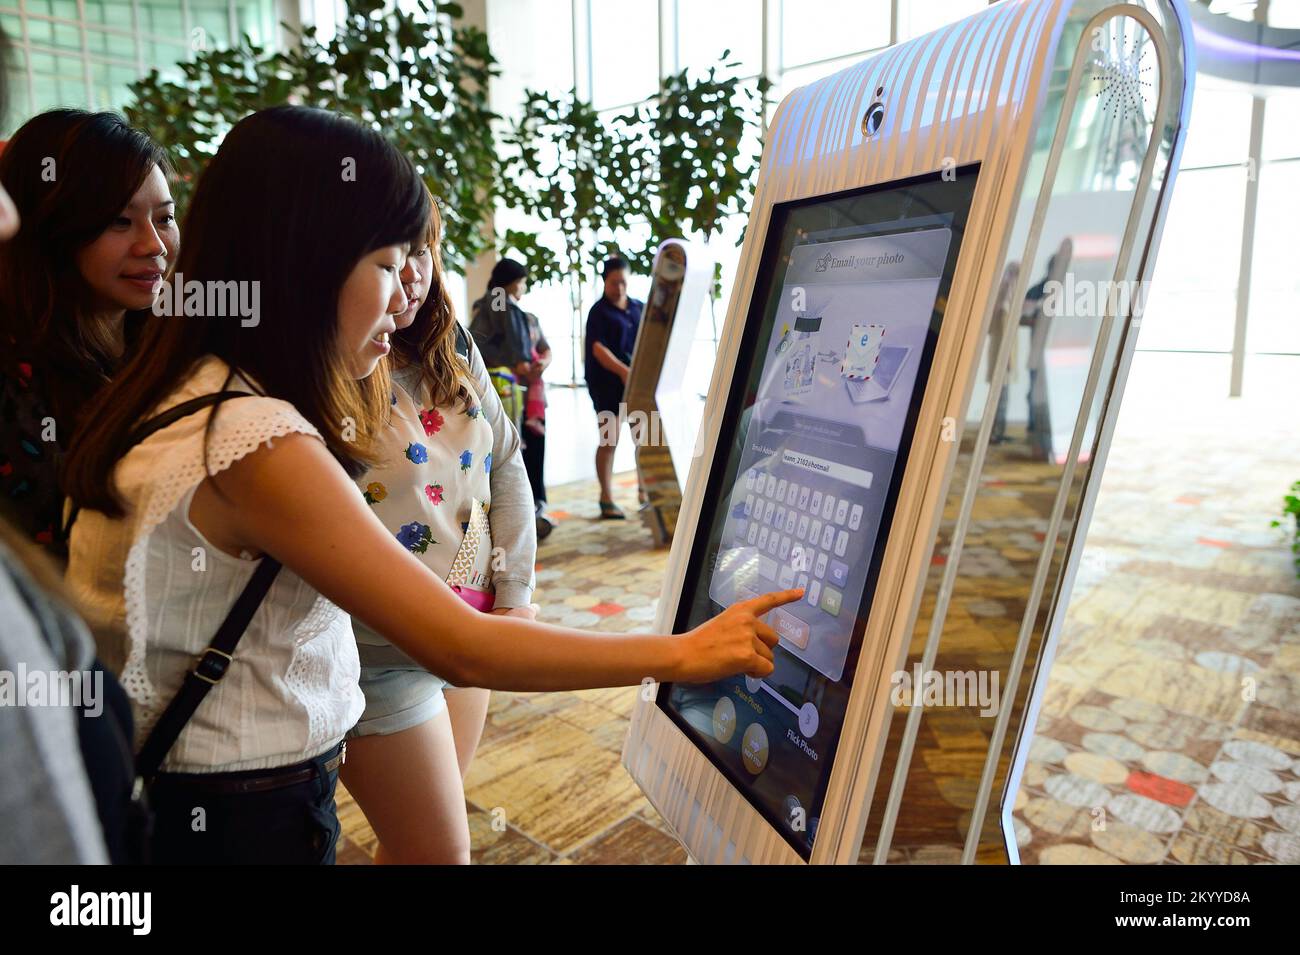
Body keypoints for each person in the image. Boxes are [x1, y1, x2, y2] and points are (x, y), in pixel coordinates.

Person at [62, 105, 798, 864]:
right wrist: (681, 654)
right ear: (306, 260)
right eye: (385, 262)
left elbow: (499, 476)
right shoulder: (254, 438)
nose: (406, 288)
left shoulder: (201, 390)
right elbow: (463, 648)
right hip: (235, 810)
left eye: (418, 257)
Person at [343, 196, 539, 864]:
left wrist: (512, 594)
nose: (412, 273)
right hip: (379, 648)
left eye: (422, 250)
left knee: (423, 836)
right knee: (439, 849)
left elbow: (505, 460)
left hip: (471, 619)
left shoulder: (450, 343)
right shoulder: (333, 360)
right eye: (392, 255)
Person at [0, 109, 177, 559]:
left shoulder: (177, 346)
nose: (153, 245)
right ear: (51, 227)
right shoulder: (15, 382)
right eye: (121, 221)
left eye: (165, 217)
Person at [468, 257, 554, 538]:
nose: (524, 288)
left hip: (528, 395)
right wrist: (517, 365)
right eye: (522, 282)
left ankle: (534, 509)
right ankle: (522, 514)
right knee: (512, 452)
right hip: (507, 395)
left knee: (530, 449)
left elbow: (543, 348)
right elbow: (482, 347)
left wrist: (541, 363)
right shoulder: (497, 304)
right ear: (512, 281)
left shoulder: (522, 315)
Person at [584, 255, 644, 519]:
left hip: (637, 384)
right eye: (613, 282)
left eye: (623, 282)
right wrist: (623, 371)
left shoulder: (638, 308)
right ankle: (606, 498)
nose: (619, 288)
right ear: (604, 282)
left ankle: (646, 492)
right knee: (610, 440)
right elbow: (598, 348)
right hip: (606, 385)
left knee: (643, 438)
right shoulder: (599, 312)